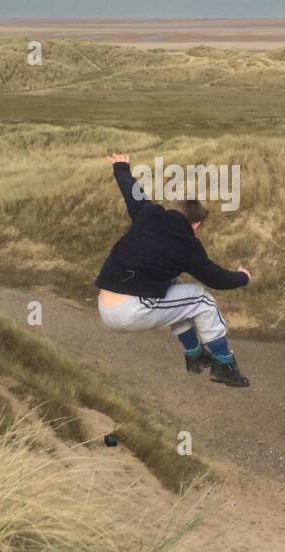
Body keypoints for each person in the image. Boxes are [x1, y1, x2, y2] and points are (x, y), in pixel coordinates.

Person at [95, 153, 252, 386]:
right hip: (130, 310)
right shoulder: (187, 244)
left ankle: (195, 356)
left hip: (105, 304)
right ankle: (225, 365)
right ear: (196, 224)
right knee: (202, 300)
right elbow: (216, 278)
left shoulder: (147, 213)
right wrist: (243, 277)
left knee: (175, 287)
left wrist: (120, 167)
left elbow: (131, 192)